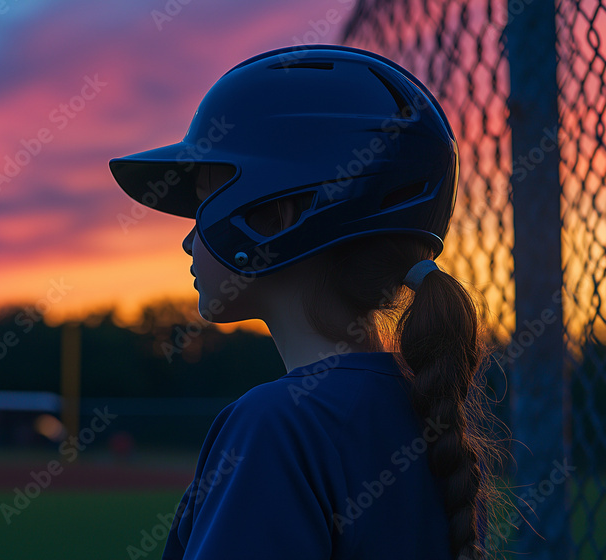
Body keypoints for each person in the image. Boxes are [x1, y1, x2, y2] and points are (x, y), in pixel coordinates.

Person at [110, 45, 501, 559]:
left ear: (277, 214)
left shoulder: (276, 425)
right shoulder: (427, 414)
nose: (189, 240)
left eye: (205, 202)